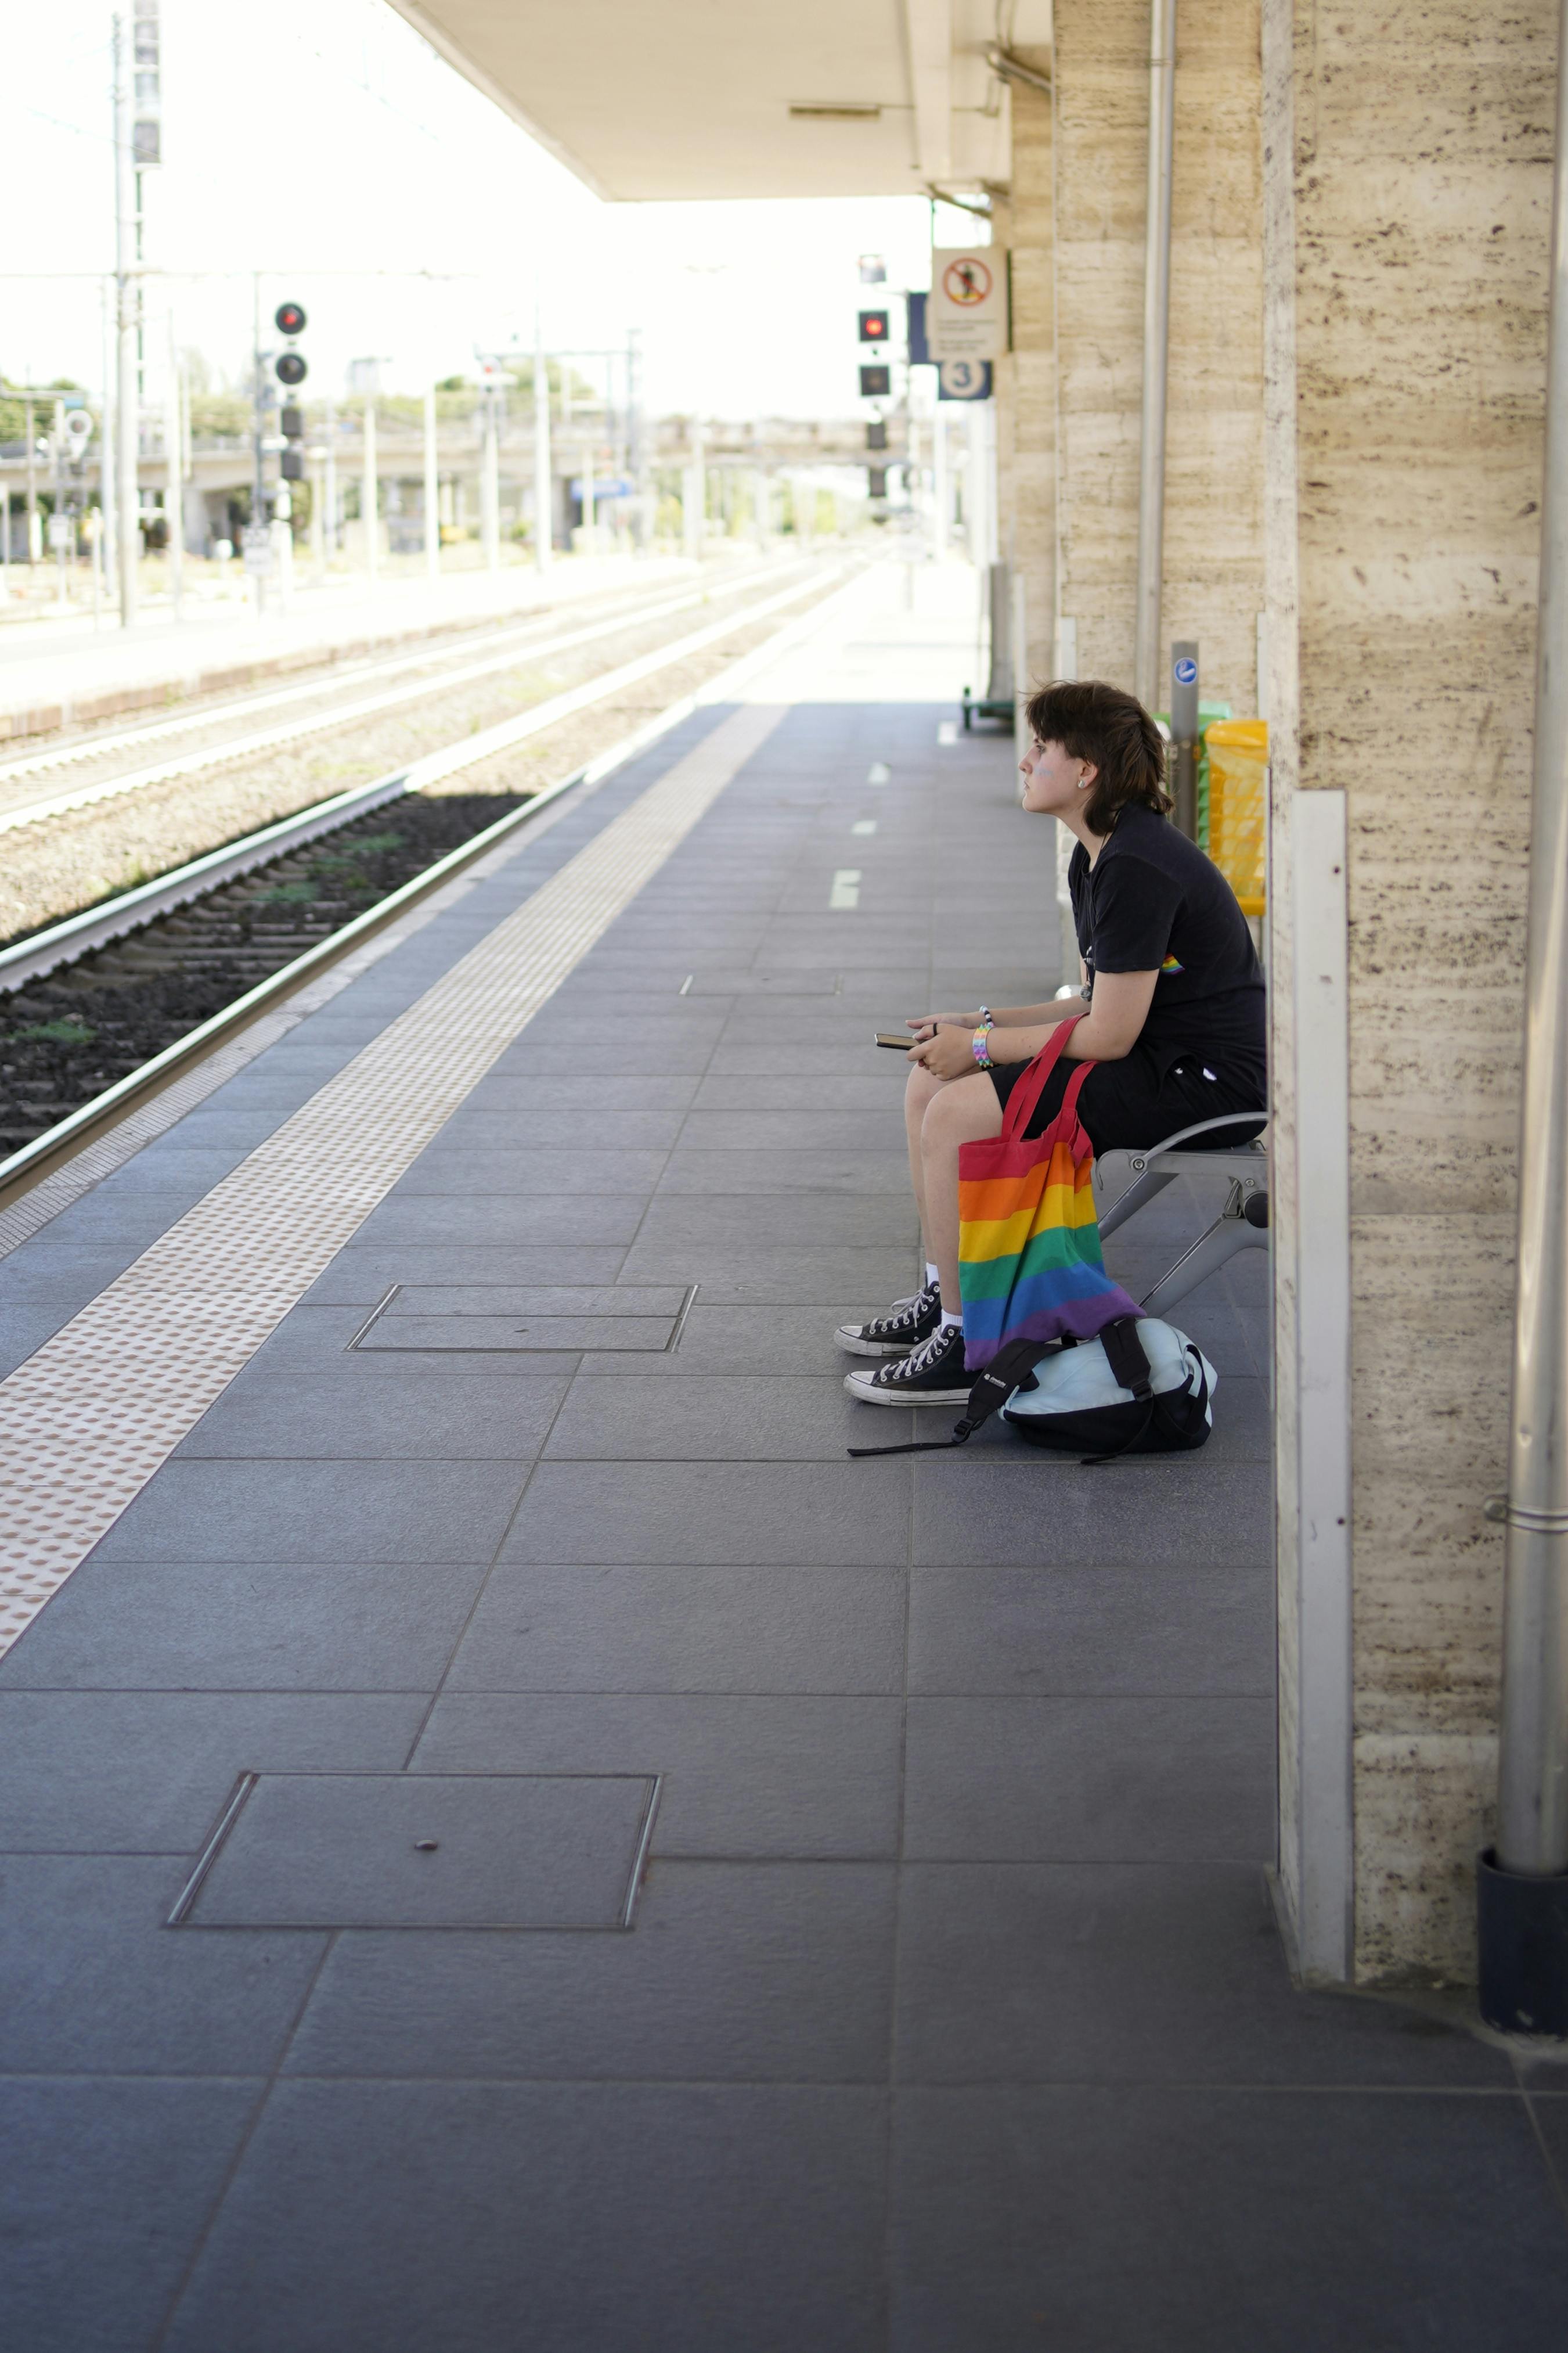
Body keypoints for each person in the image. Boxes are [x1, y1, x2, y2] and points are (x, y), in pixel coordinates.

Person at [838, 677, 1268, 1406]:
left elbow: (1106, 1034)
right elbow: (1096, 1002)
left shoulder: (1136, 864)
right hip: (1152, 1054)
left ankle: (966, 1341)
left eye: (1040, 748)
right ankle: (944, 1295)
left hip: (1203, 1084)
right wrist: (978, 1023)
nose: (1024, 760)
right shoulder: (1095, 852)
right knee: (926, 1083)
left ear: (1085, 770)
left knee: (953, 1110)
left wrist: (978, 1052)